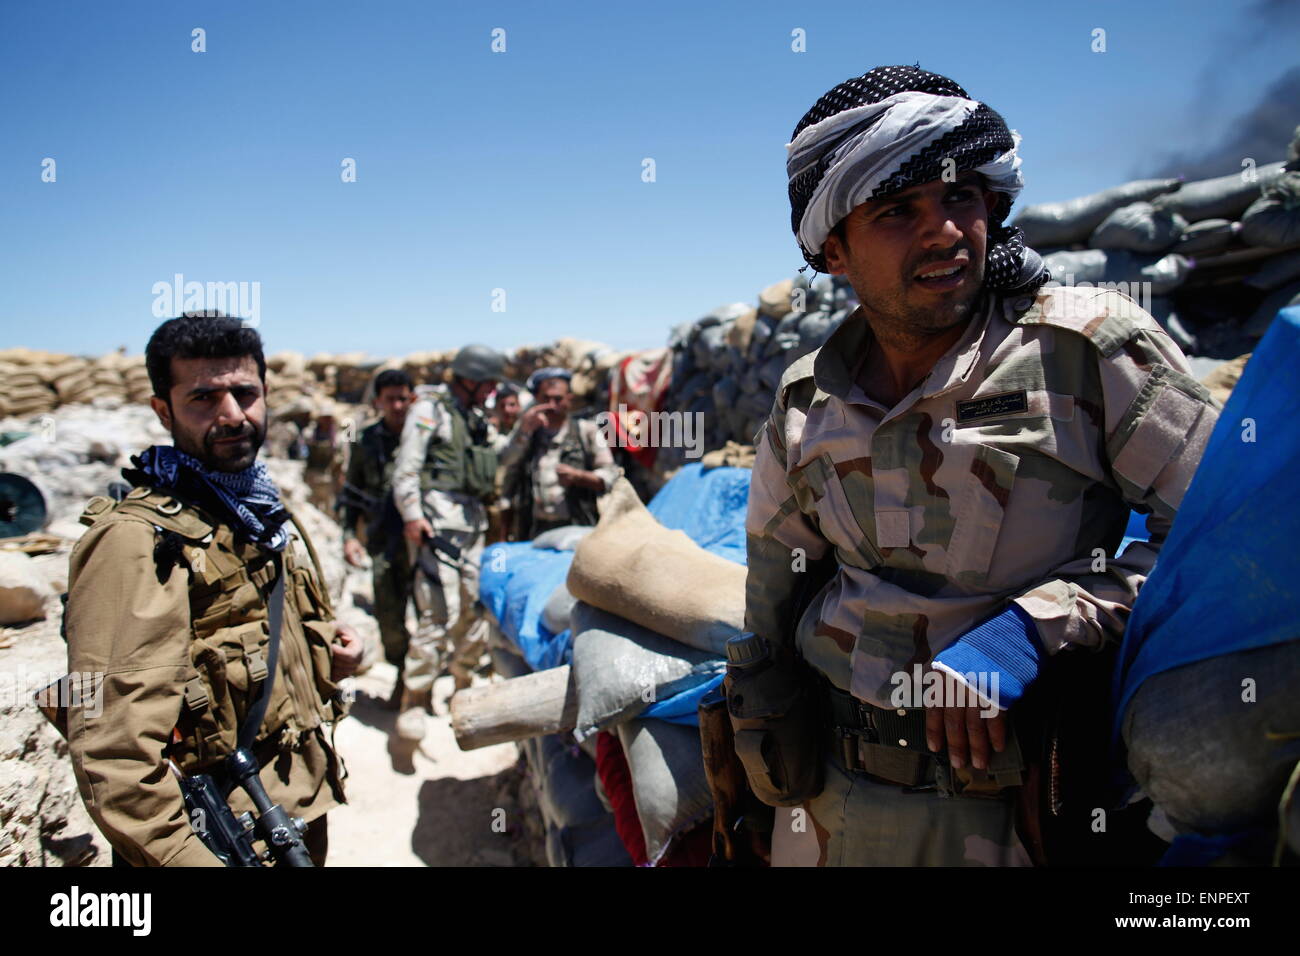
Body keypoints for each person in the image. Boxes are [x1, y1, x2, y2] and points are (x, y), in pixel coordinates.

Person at [737, 66, 1221, 866]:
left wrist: (1031, 631)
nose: (945, 232)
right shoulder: (804, 398)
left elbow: (1217, 538)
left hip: (1020, 812)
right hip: (835, 799)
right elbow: (773, 585)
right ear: (835, 250)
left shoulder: (1081, 350)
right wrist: (761, 733)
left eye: (961, 199)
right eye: (898, 211)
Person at [64, 313, 363, 866]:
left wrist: (329, 646)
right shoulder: (140, 541)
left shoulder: (254, 511)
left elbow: (262, 632)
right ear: (164, 410)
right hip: (214, 839)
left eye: (245, 394)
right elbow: (115, 751)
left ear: (266, 395)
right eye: (203, 398)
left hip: (292, 808)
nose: (232, 415)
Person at [389, 345, 507, 739]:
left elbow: (497, 456)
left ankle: (463, 687)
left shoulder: (473, 418)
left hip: (473, 527)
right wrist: (412, 516)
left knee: (475, 607)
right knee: (435, 614)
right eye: (488, 382)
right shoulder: (429, 411)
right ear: (470, 378)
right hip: (435, 528)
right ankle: (415, 698)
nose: (492, 390)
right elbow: (407, 468)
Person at [339, 369, 416, 704]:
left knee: (434, 613)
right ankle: (402, 673)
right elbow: (351, 493)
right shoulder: (365, 440)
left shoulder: (425, 437)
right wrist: (348, 535)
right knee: (388, 611)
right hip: (384, 540)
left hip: (423, 540)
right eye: (391, 399)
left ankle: (423, 682)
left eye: (403, 398)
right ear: (378, 402)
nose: (398, 405)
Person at [498, 368, 619, 541]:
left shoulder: (588, 431)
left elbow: (610, 475)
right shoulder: (527, 433)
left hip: (578, 530)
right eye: (545, 399)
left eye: (558, 399)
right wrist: (523, 431)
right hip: (533, 531)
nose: (552, 405)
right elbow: (506, 464)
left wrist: (579, 476)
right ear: (537, 400)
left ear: (569, 398)